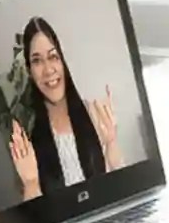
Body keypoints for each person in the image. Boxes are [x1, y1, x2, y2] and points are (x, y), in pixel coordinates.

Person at [9, 17, 124, 201]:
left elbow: (122, 190)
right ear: (30, 71)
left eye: (53, 57)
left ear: (62, 61)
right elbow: (35, 221)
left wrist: (111, 143)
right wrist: (31, 183)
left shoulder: (93, 114)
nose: (48, 70)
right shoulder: (28, 133)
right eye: (37, 61)